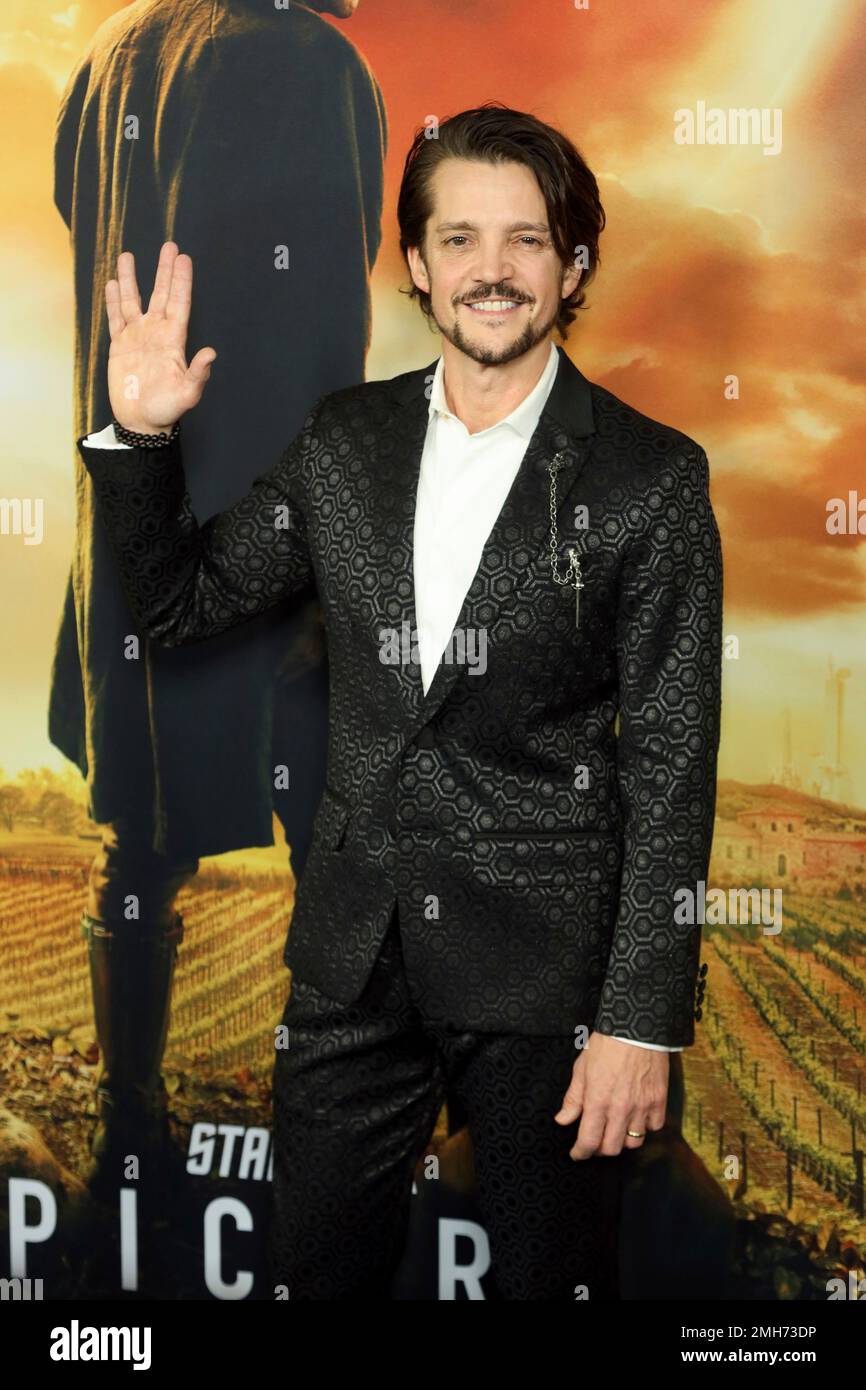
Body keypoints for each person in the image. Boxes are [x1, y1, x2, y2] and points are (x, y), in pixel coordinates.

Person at [77, 104, 723, 1299]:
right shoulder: (344, 441)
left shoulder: (652, 477)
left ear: (571, 264)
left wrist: (640, 1021)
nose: (491, 270)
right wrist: (141, 438)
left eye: (525, 241)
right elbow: (179, 609)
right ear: (417, 266)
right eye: (460, 239)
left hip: (551, 992)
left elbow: (673, 768)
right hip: (352, 961)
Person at [49, 0, 386, 1193]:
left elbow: (85, 229)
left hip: (137, 517)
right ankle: (335, 1153)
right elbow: (330, 318)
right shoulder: (310, 57)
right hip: (266, 527)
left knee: (135, 844)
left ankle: (125, 1136)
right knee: (334, 845)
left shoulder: (104, 60)